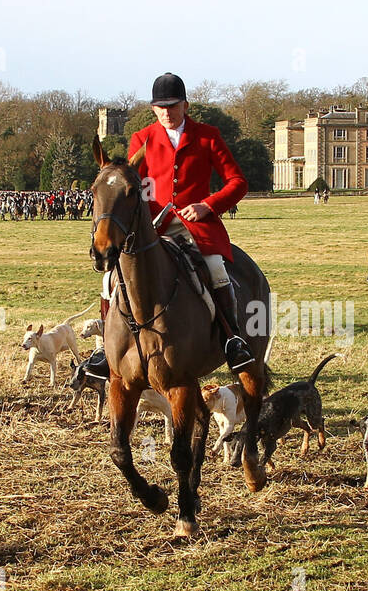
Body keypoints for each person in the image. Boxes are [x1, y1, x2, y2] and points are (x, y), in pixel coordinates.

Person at [85, 72, 254, 379]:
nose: (166, 112)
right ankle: (104, 349)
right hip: (153, 228)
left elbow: (237, 182)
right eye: (160, 107)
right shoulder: (142, 139)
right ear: (153, 108)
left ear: (185, 105)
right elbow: (133, 187)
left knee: (216, 270)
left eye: (172, 106)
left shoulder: (208, 136)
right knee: (110, 277)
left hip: (196, 228)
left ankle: (233, 339)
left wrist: (207, 206)